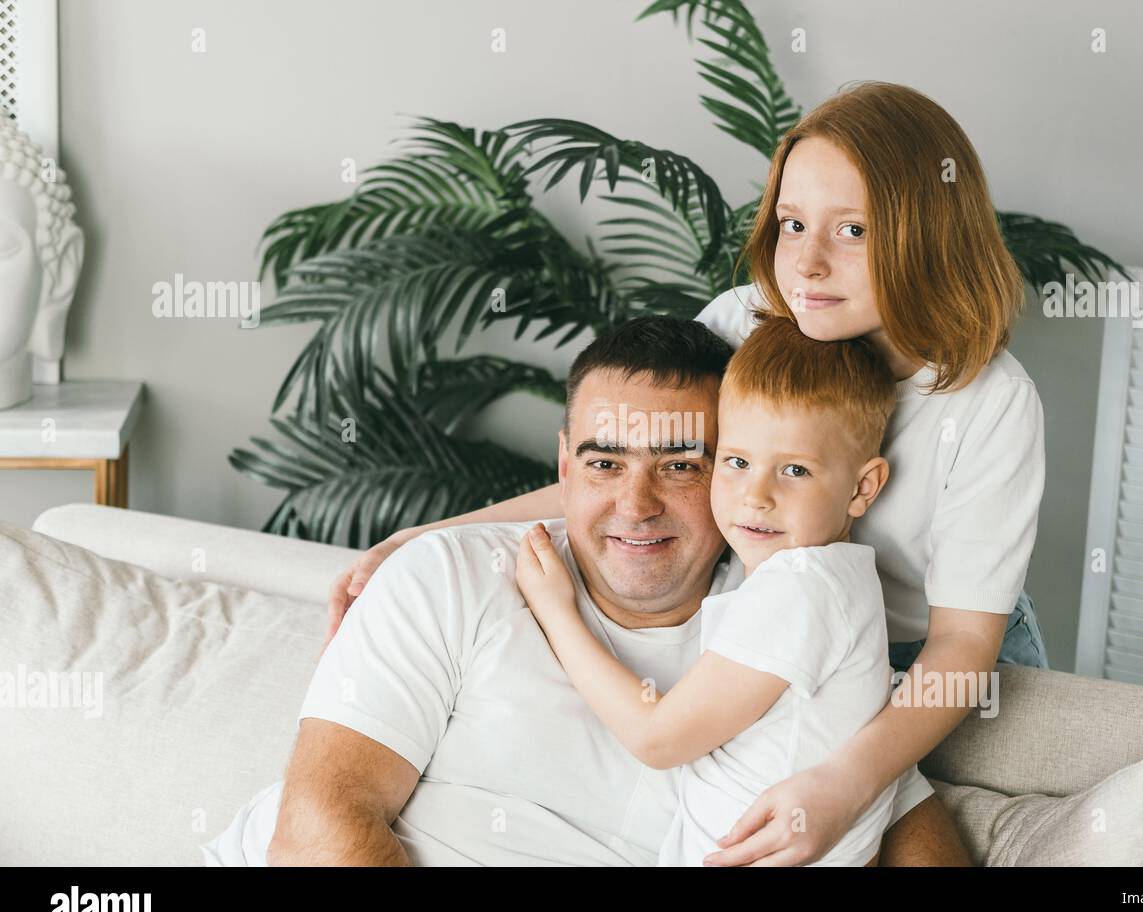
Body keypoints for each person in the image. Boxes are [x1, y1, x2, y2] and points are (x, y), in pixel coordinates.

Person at [323, 81, 1048, 865]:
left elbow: (964, 646)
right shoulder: (748, 322)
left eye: (853, 231)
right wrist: (429, 535)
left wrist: (846, 782)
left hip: (920, 648)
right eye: (793, 224)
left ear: (926, 235)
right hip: (772, 620)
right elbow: (635, 473)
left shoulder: (989, 404)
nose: (805, 261)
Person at [202, 316, 971, 866]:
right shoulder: (451, 577)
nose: (635, 505)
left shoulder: (779, 614)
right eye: (605, 464)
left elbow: (894, 806)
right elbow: (320, 829)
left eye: (681, 466)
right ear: (564, 467)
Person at [515, 316, 909, 866]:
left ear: (862, 488)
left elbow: (658, 739)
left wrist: (556, 612)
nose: (756, 497)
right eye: (738, 462)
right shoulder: (832, 577)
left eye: (794, 470)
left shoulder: (801, 591)